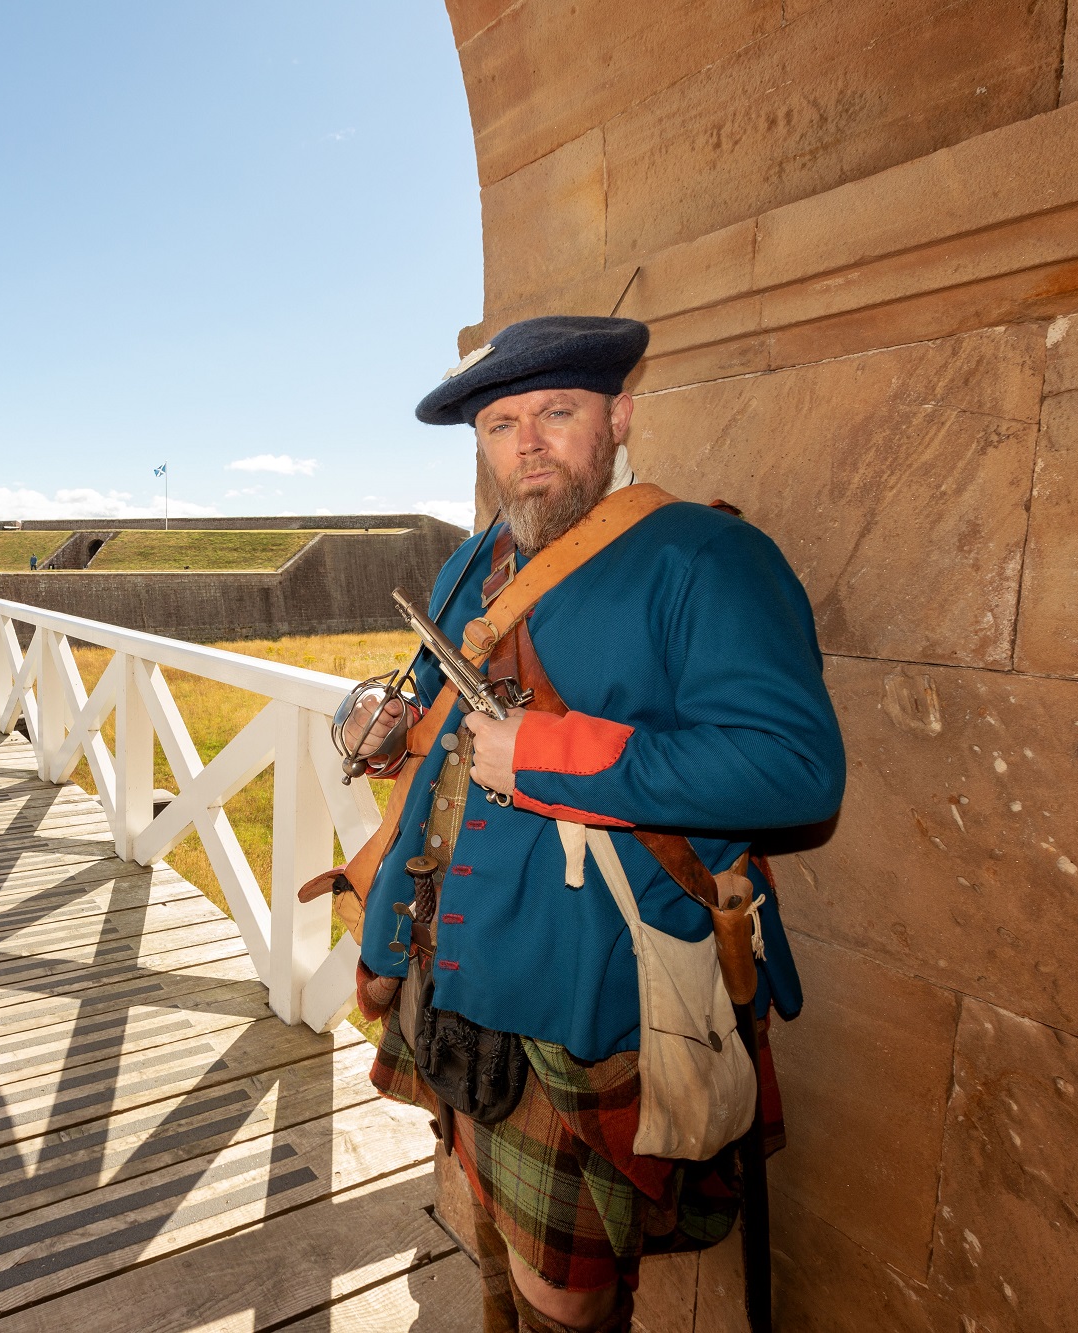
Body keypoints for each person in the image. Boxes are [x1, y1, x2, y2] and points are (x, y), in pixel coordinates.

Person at [334, 315, 845, 1333]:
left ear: (616, 415)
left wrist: (546, 756)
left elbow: (794, 770)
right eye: (499, 423)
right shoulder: (474, 562)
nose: (525, 445)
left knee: (565, 1291)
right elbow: (438, 726)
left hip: (588, 995)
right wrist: (383, 724)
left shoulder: (708, 558)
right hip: (452, 963)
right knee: (487, 1224)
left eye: (555, 413)